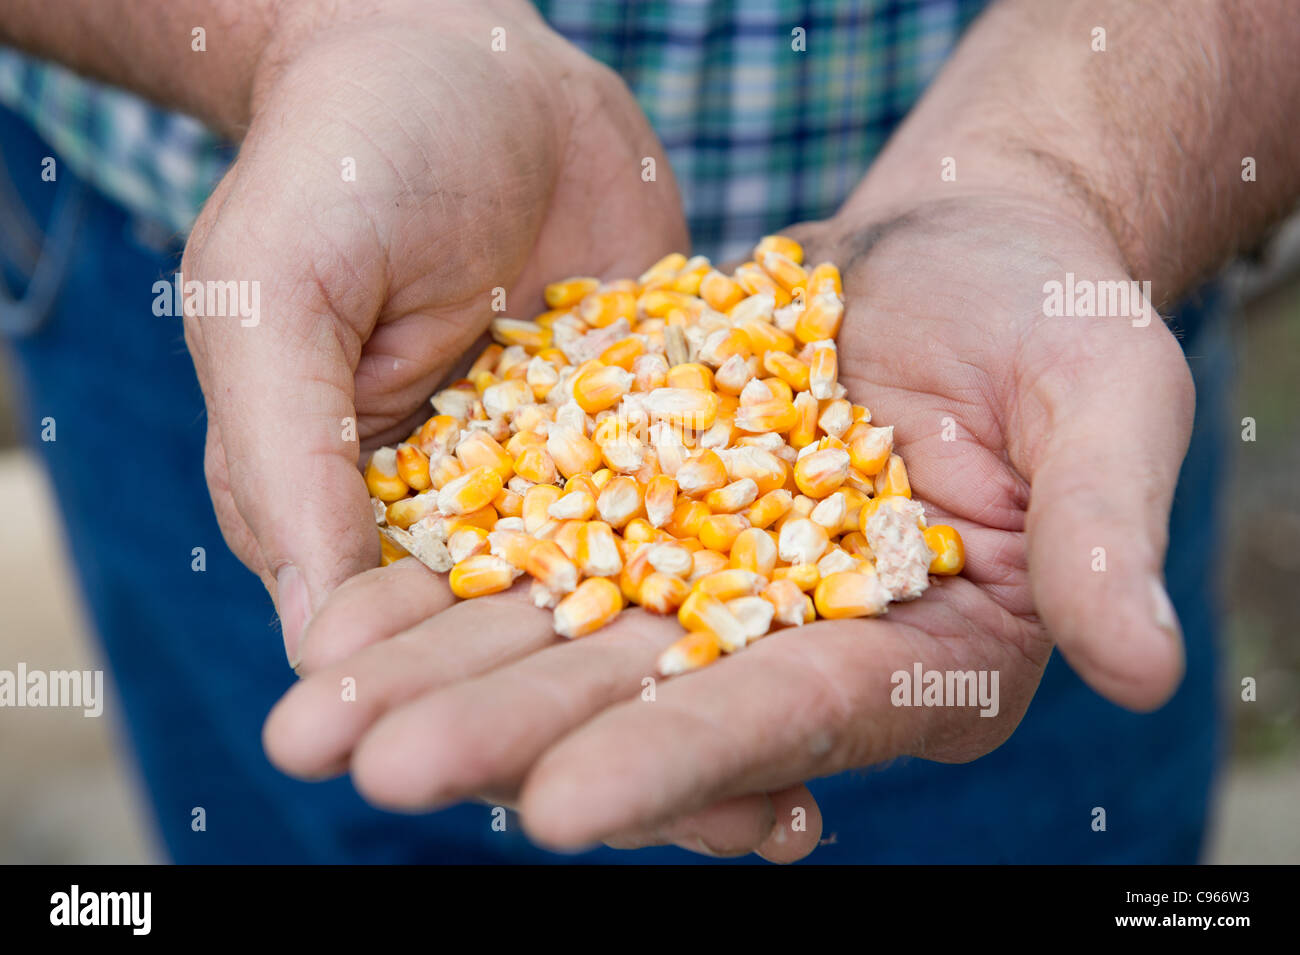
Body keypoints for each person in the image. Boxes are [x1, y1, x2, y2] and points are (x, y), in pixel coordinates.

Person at [0, 0, 1292, 863]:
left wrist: (1075, 171)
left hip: (1015, 384)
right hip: (301, 305)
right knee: (325, 786)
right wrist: (314, 31)